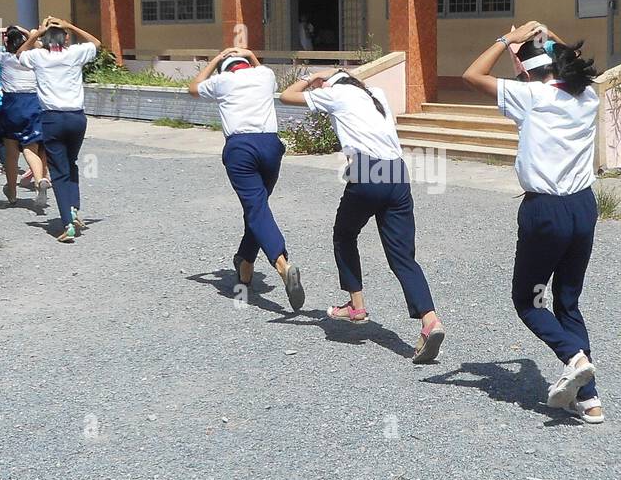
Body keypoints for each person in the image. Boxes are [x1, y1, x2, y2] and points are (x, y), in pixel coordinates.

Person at [463, 20, 604, 423]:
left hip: (546, 211)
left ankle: (574, 359)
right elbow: (571, 60)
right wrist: (545, 31)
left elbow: (473, 75)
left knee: (529, 300)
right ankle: (590, 401)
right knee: (568, 301)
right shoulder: (587, 95)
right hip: (583, 207)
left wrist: (507, 39)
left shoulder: (530, 95)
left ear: (527, 70)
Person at [280, 68, 445, 364]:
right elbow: (354, 82)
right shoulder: (375, 94)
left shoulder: (335, 94)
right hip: (397, 173)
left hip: (368, 172)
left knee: (344, 234)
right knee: (403, 257)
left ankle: (356, 305)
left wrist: (312, 76)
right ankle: (430, 320)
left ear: (330, 83)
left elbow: (286, 95)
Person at [191, 47, 306, 310]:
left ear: (226, 68)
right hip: (271, 146)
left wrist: (215, 60)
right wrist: (249, 53)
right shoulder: (264, 75)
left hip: (241, 148)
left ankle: (283, 265)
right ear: (247, 64)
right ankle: (244, 265)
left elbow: (194, 88)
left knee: (256, 209)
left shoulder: (221, 81)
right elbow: (260, 67)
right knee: (257, 209)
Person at [15, 16, 101, 242]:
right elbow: (96, 43)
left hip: (52, 119)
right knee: (70, 164)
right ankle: (73, 207)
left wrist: (36, 33)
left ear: (44, 40)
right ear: (66, 38)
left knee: (58, 171)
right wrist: (69, 25)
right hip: (77, 118)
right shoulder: (75, 54)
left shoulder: (39, 56)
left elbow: (19, 54)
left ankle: (67, 223)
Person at [0, 26, 49, 209]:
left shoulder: (4, 58)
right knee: (31, 148)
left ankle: (12, 193)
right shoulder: (34, 57)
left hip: (11, 104)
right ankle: (39, 180)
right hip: (32, 102)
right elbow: (39, 45)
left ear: (6, 42)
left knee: (11, 152)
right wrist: (29, 32)